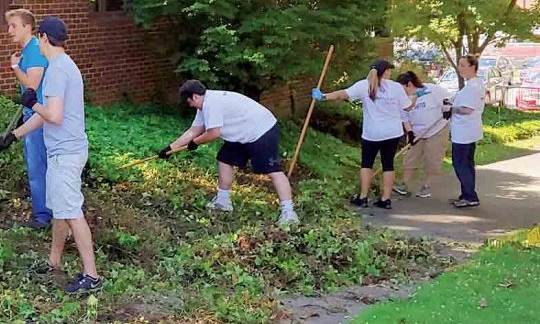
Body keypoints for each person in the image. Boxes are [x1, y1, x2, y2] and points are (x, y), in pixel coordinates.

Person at [0, 17, 101, 294]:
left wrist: (32, 102)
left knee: (72, 212)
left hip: (66, 153)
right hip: (62, 151)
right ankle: (54, 261)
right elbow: (44, 116)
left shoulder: (56, 70)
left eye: (38, 38)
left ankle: (91, 276)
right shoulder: (63, 65)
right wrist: (14, 135)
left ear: (42, 37)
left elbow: (52, 115)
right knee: (60, 212)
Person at [158, 80, 299, 226]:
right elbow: (194, 130)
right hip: (241, 132)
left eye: (189, 102)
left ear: (195, 96)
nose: (190, 105)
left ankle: (289, 213)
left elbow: (213, 133)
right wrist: (170, 149)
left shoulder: (212, 104)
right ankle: (223, 201)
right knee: (224, 159)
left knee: (272, 170)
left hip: (262, 130)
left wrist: (196, 142)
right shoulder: (204, 106)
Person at [313, 58, 410, 209]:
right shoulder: (396, 87)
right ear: (385, 72)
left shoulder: (364, 85)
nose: (390, 72)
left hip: (372, 133)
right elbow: (407, 107)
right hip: (392, 133)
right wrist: (415, 97)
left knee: (366, 164)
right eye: (389, 70)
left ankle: (363, 197)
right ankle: (385, 199)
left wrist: (323, 96)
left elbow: (341, 95)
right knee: (388, 165)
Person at [6, 8, 51, 229]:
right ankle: (47, 212)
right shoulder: (28, 50)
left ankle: (43, 216)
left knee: (37, 168)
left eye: (14, 26)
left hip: (39, 117)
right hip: (31, 114)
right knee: (37, 166)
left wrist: (15, 67)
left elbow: (31, 87)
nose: (9, 31)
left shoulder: (34, 51)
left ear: (27, 27)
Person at [396, 70, 451, 198]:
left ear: (409, 84)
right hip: (416, 132)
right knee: (410, 157)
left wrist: (448, 109)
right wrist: (410, 132)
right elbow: (404, 117)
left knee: (433, 159)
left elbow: (449, 100)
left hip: (437, 129)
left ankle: (427, 186)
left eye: (402, 88)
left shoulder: (432, 90)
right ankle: (404, 184)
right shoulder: (403, 99)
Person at [449, 55, 485, 208]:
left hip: (463, 132)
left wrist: (451, 109)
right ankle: (467, 193)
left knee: (460, 163)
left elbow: (467, 109)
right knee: (468, 163)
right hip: (469, 130)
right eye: (459, 64)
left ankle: (470, 195)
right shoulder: (475, 83)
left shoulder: (472, 87)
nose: (460, 68)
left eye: (463, 65)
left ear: (472, 67)